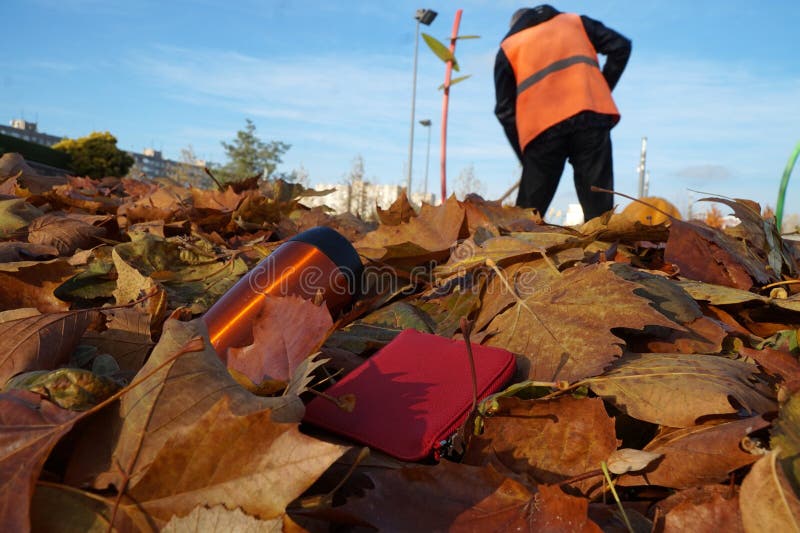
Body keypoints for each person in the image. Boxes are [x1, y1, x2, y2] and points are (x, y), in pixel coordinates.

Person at [494, 5, 631, 220]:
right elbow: (621, 46)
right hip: (590, 117)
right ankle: (606, 253)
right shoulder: (575, 22)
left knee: (525, 219)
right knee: (600, 215)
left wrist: (526, 158)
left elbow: (504, 111)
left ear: (515, 26)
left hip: (541, 131)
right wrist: (599, 90)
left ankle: (516, 250)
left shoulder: (509, 48)